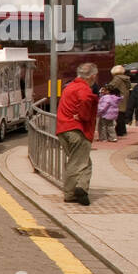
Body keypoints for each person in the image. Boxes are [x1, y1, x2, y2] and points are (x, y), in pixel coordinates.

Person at [56, 62, 98, 204]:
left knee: (83, 162)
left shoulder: (70, 87)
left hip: (63, 128)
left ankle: (81, 188)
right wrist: (82, 116)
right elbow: (86, 100)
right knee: (78, 162)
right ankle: (72, 192)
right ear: (92, 76)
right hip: (77, 130)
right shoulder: (83, 88)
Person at [108, 65, 131, 138]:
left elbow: (112, 86)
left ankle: (119, 131)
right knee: (122, 115)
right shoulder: (126, 78)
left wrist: (106, 87)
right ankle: (123, 130)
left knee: (119, 115)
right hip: (124, 97)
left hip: (119, 98)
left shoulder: (117, 78)